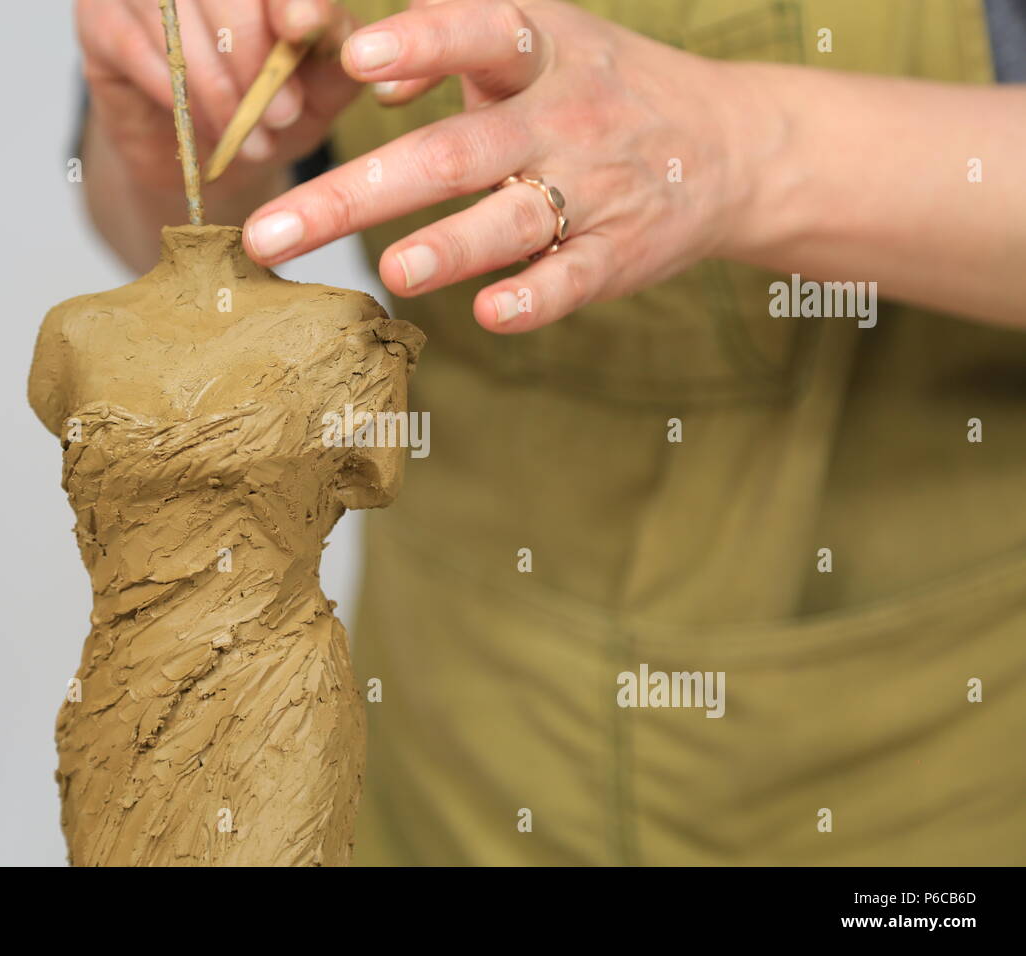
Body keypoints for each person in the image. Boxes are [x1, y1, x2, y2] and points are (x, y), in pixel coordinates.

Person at [71, 0, 1026, 865]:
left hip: (914, 769)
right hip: (449, 744)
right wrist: (177, 157)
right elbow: (147, 219)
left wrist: (739, 151)